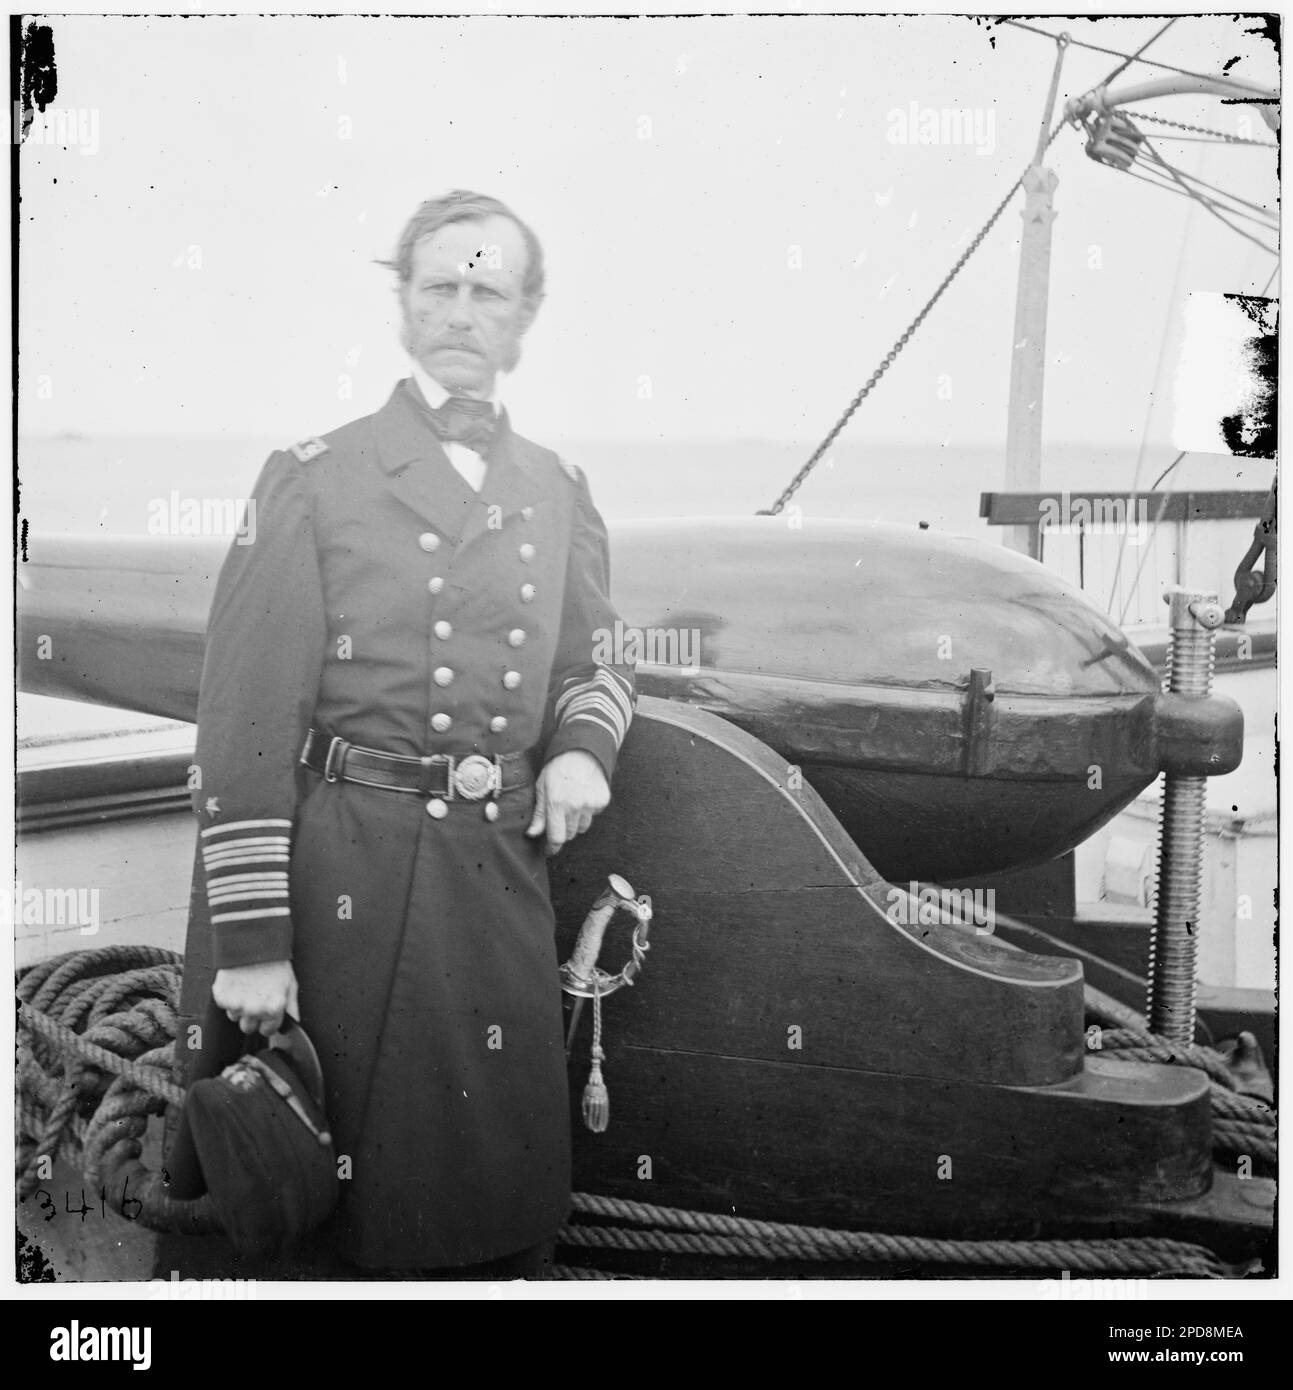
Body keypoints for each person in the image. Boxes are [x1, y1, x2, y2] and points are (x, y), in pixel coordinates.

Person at [185, 190, 636, 1277]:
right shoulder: (309, 477)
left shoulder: (559, 489)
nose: (462, 312)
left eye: (489, 291)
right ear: (402, 304)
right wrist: (252, 945)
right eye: (439, 285)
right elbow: (242, 720)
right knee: (344, 1205)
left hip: (494, 881)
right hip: (351, 881)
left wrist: (583, 747)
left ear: (524, 316)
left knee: (493, 1191)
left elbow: (600, 658)